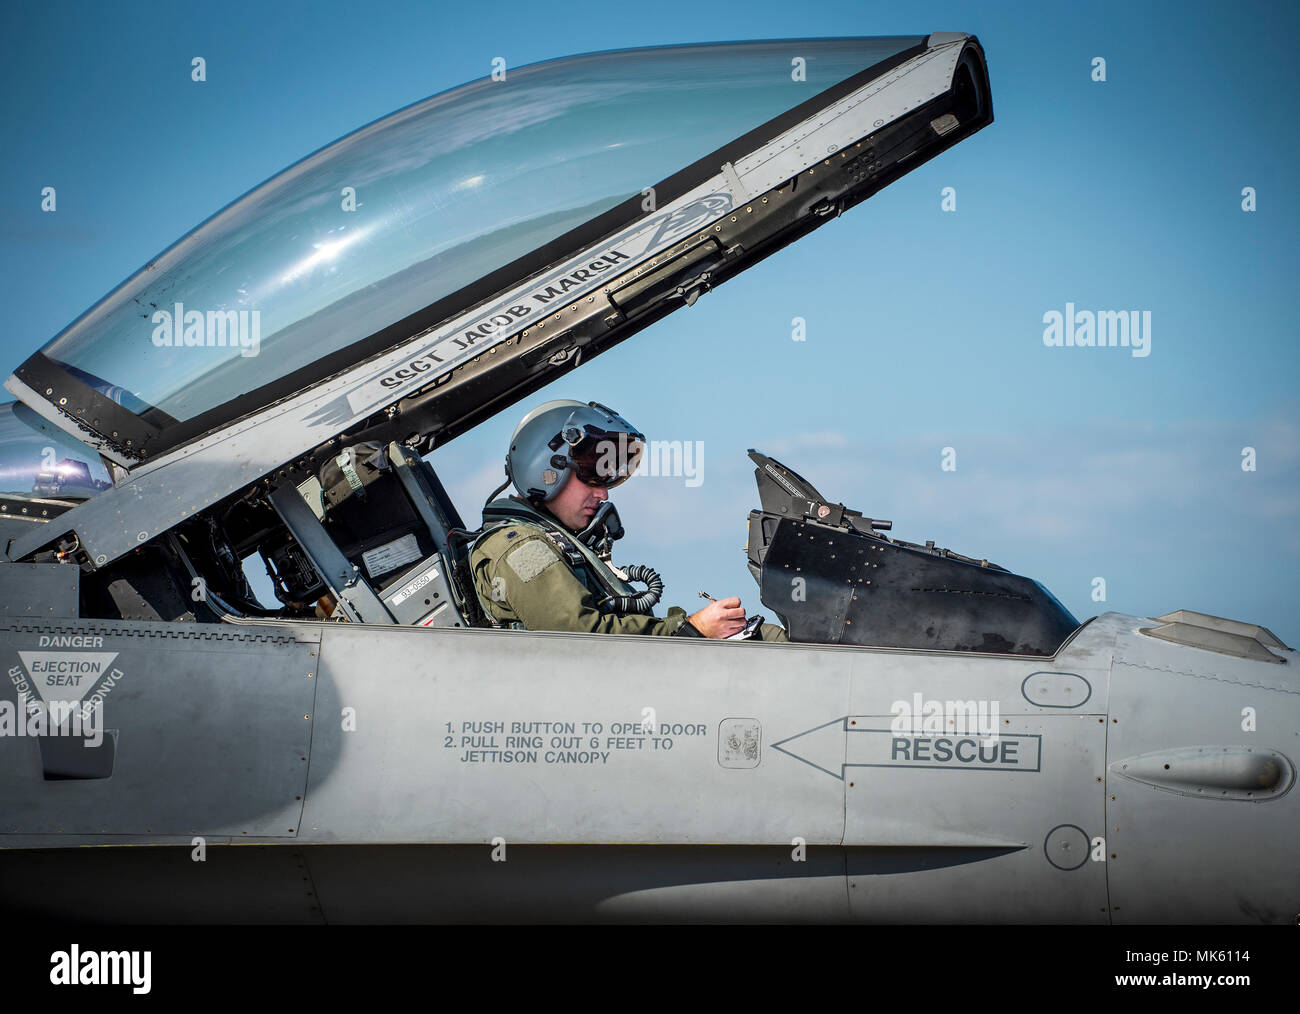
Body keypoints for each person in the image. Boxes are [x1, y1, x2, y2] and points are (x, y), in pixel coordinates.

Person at [470, 400, 787, 640]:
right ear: (546, 470)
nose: (603, 495)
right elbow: (577, 640)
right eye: (593, 477)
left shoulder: (552, 542)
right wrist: (693, 631)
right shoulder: (522, 549)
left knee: (774, 639)